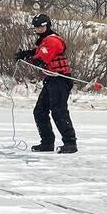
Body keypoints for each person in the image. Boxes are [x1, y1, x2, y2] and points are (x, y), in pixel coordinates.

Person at [14, 13, 78, 154]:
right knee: (40, 111)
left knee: (58, 111)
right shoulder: (44, 42)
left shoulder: (53, 40)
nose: (38, 29)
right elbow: (38, 52)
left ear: (47, 26)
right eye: (36, 27)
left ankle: (70, 143)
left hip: (61, 80)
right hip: (50, 80)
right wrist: (25, 54)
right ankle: (47, 143)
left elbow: (42, 58)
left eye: (41, 27)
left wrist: (33, 58)